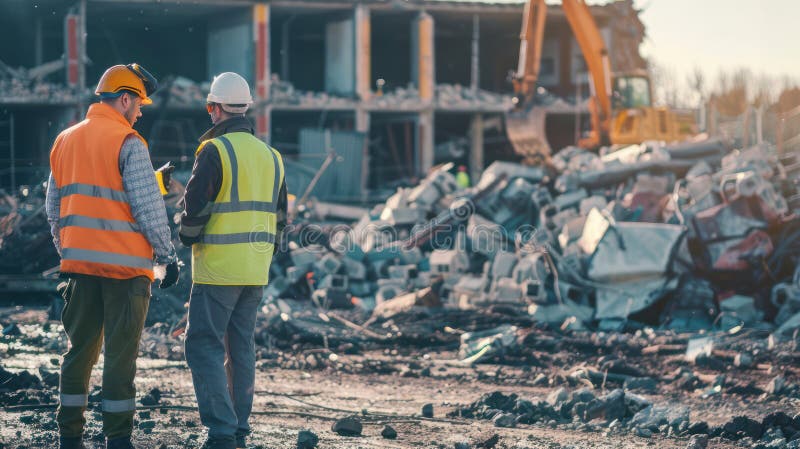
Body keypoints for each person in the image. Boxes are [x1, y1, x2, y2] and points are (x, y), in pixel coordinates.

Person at [45, 63, 180, 449]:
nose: (140, 112)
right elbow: (147, 209)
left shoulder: (64, 140)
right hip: (126, 273)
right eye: (138, 104)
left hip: (78, 270)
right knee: (120, 358)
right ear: (123, 99)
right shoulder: (129, 142)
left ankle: (69, 436)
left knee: (78, 354)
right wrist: (167, 257)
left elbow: (54, 209)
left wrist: (69, 252)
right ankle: (117, 438)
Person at [179, 72, 287, 449]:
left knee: (203, 345)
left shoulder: (214, 151)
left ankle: (222, 430)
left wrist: (186, 237)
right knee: (240, 348)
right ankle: (238, 426)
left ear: (215, 108)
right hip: (255, 271)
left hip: (218, 268)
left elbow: (194, 209)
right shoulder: (272, 157)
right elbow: (281, 219)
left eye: (210, 107)